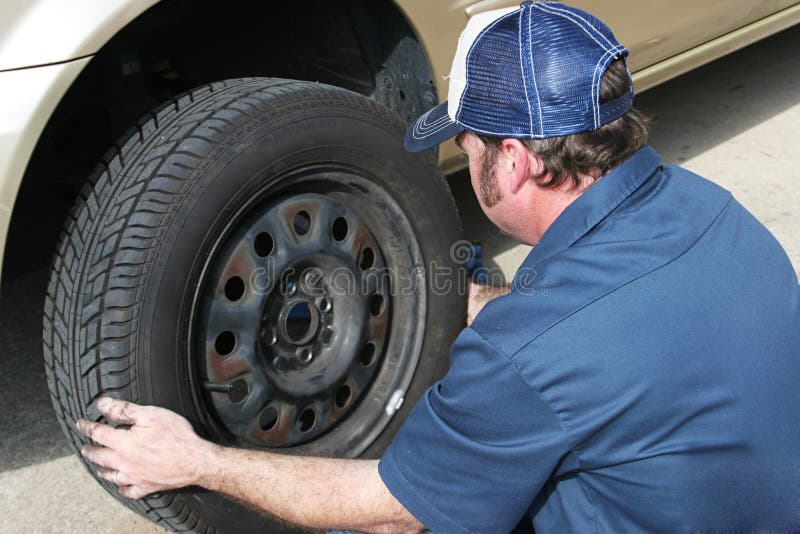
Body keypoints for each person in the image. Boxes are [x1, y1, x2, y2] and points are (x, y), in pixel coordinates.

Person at [77, 2, 800, 532]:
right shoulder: (713, 210)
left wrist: (197, 462)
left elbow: (397, 514)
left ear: (514, 162)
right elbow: (608, 341)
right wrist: (492, 308)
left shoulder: (532, 355)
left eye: (472, 145)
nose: (468, 159)